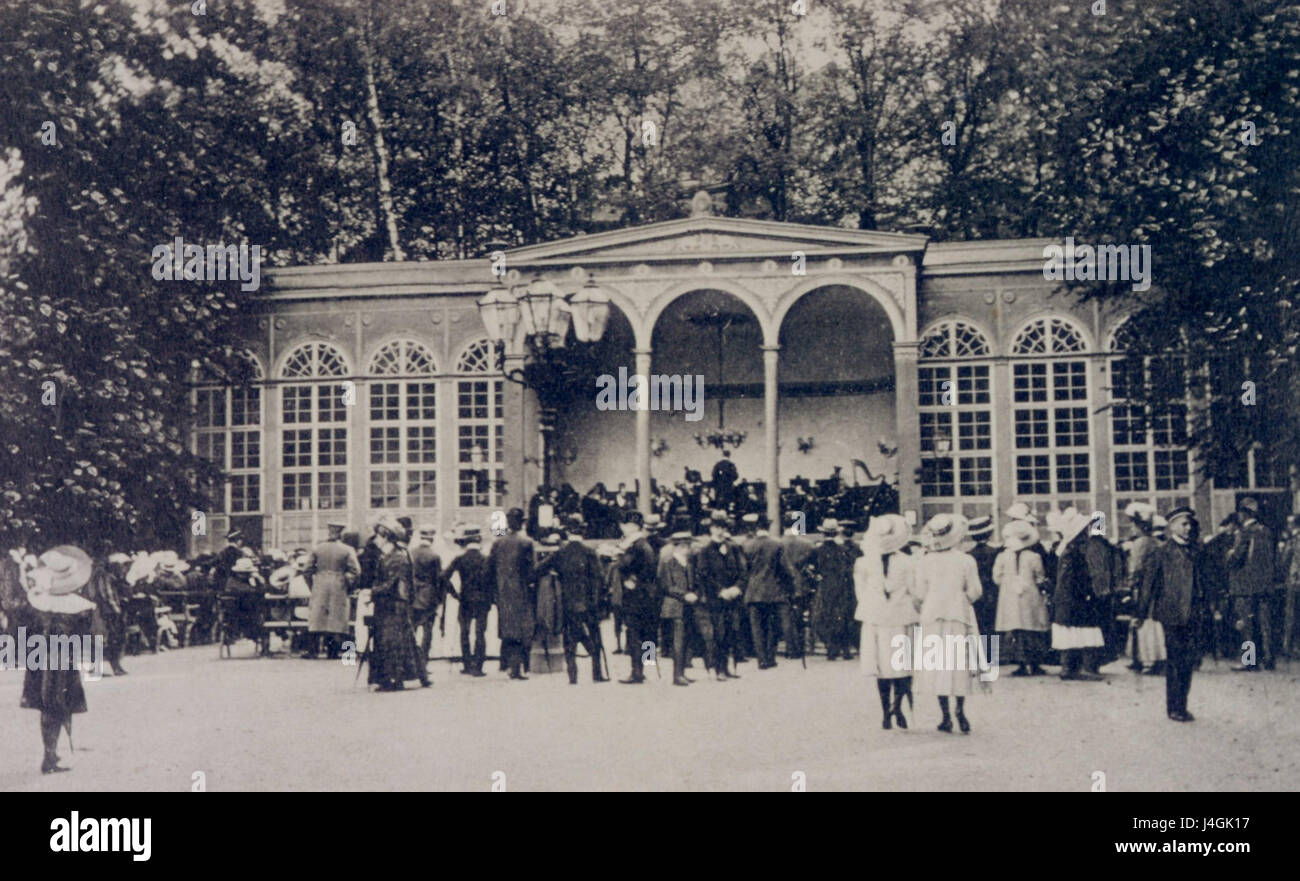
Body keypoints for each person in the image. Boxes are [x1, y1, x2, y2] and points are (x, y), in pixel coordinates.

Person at [18, 546, 97, 774]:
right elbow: (88, 638)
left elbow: (20, 633)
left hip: (38, 662)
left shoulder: (35, 604)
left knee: (46, 706)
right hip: (63, 663)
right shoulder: (78, 607)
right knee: (60, 706)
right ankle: (50, 755)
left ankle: (50, 753)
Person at [1138, 507, 1215, 722]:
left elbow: (1206, 582)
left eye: (1190, 524)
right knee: (1175, 660)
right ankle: (1174, 707)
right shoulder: (1161, 552)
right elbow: (1148, 585)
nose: (1188, 528)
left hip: (1194, 612)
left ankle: (1182, 704)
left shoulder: (1197, 551)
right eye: (1184, 524)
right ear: (1172, 526)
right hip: (1171, 613)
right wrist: (1141, 612)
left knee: (1188, 660)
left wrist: (1210, 606)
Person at [913, 514, 984, 733]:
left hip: (932, 615)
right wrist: (963, 600)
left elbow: (919, 592)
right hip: (958, 614)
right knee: (958, 664)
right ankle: (960, 710)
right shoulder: (965, 560)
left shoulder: (924, 561)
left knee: (938, 665)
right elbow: (976, 591)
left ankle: (945, 715)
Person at [855, 514, 918, 729]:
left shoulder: (863, 562)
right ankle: (897, 706)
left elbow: (860, 593)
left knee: (881, 667)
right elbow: (914, 591)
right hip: (900, 617)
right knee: (901, 667)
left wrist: (875, 605)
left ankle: (885, 713)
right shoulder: (908, 562)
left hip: (876, 618)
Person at [367, 516, 428, 691]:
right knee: (388, 642)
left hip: (395, 606)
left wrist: (372, 591)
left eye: (379, 536)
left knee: (393, 643)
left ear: (386, 537)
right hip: (387, 605)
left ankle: (395, 678)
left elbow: (391, 584)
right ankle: (390, 678)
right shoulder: (387, 556)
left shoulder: (397, 558)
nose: (376, 539)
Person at [1051, 509, 1106, 680]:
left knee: (1070, 633)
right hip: (1076, 599)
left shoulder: (1067, 551)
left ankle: (1069, 667)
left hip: (1067, 600)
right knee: (1084, 631)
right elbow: (1075, 579)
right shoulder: (1075, 554)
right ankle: (1084, 668)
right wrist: (1088, 593)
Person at [551, 518, 607, 684]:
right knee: (595, 639)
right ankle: (597, 674)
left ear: (567, 532)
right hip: (589, 603)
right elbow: (600, 578)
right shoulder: (590, 552)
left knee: (569, 640)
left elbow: (539, 569)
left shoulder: (561, 552)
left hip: (568, 603)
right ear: (582, 532)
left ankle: (573, 677)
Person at [993, 519, 1050, 676]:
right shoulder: (1034, 557)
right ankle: (1034, 663)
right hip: (1030, 597)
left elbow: (996, 578)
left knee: (1014, 628)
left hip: (1009, 597)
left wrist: (1008, 584)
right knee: (1031, 628)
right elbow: (1040, 578)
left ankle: (1020, 663)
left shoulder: (1002, 557)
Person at [1227, 497, 1277, 670]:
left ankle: (1249, 661)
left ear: (1243, 513)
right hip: (1264, 585)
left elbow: (1236, 558)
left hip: (1245, 586)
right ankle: (1269, 659)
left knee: (1246, 625)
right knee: (1265, 624)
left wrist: (1229, 554)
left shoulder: (1244, 532)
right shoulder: (1266, 531)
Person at [693, 512, 745, 678]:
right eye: (716, 527)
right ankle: (718, 668)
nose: (719, 531)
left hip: (733, 597)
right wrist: (720, 591)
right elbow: (704, 575)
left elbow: (743, 571)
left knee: (732, 632)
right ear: (711, 529)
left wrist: (737, 588)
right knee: (718, 634)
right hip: (715, 599)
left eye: (722, 527)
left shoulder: (733, 548)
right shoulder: (705, 551)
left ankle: (728, 668)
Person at [487, 508, 536, 680]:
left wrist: (494, 592)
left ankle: (507, 664)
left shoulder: (497, 543)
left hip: (502, 592)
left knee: (507, 629)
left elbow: (489, 570)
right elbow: (532, 571)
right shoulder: (527, 543)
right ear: (522, 522)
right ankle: (518, 667)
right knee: (522, 629)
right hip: (521, 592)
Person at [615, 511, 660, 683]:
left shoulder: (635, 546)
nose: (622, 529)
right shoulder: (645, 544)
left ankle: (637, 672)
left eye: (624, 525)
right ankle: (649, 664)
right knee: (647, 631)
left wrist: (618, 555)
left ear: (632, 526)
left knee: (634, 633)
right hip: (648, 594)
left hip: (636, 595)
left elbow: (624, 565)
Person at [305, 522, 360, 660]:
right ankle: (333, 652)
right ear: (341, 534)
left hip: (320, 583)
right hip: (339, 584)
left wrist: (312, 585)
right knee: (337, 619)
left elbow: (307, 570)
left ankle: (313, 651)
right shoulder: (347, 550)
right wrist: (349, 583)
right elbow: (356, 571)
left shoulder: (317, 548)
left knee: (317, 618)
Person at [743, 514, 791, 670]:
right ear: (768, 528)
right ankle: (770, 657)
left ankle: (761, 659)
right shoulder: (777, 545)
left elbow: (743, 570)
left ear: (755, 528)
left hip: (753, 591)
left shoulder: (747, 545)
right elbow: (784, 569)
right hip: (773, 591)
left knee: (757, 627)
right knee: (772, 626)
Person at [1123, 503, 1166, 675]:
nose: (1132, 528)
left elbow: (1135, 568)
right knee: (1153, 624)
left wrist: (1130, 584)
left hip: (1143, 588)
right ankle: (1149, 658)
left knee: (1143, 622)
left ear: (1139, 526)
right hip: (1156, 588)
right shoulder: (1155, 542)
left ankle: (1147, 659)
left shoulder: (1140, 543)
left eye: (1133, 524)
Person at [810, 519, 861, 661]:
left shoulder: (817, 550)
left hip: (826, 586)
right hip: (843, 586)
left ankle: (831, 649)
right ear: (837, 532)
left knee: (827, 616)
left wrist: (816, 577)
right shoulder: (843, 550)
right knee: (843, 616)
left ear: (822, 533)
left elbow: (806, 566)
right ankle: (846, 650)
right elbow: (851, 568)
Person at [445, 526, 492, 676]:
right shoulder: (486, 559)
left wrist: (454, 593)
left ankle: (466, 665)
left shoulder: (460, 559)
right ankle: (478, 667)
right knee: (480, 633)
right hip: (483, 599)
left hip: (465, 599)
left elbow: (443, 577)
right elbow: (493, 580)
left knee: (464, 632)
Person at [658, 529, 699, 686]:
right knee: (678, 642)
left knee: (686, 640)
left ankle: (682, 672)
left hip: (688, 606)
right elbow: (667, 586)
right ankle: (677, 675)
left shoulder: (689, 563)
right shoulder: (668, 563)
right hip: (674, 607)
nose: (686, 549)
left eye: (687, 546)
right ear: (676, 547)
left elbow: (694, 583)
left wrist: (694, 593)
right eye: (683, 546)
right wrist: (685, 595)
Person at [90, 553, 130, 676]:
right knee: (109, 637)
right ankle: (113, 666)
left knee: (102, 638)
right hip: (105, 610)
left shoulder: (99, 574)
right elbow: (106, 594)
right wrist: (115, 607)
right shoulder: (104, 575)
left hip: (101, 609)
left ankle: (103, 667)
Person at [410, 522, 445, 662]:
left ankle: (411, 660)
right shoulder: (434, 556)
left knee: (412, 628)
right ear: (432, 539)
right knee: (428, 629)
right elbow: (438, 579)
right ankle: (423, 661)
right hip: (428, 595)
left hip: (413, 594)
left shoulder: (411, 553)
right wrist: (440, 598)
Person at [780, 517, 815, 659]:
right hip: (801, 584)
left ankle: (790, 648)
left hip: (783, 585)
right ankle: (800, 647)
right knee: (799, 616)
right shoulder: (808, 545)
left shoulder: (778, 544)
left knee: (785, 617)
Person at [966, 516, 999, 642]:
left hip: (977, 594)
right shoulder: (995, 552)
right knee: (993, 625)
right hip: (993, 591)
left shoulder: (969, 554)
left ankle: (983, 655)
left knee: (980, 625)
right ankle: (994, 656)